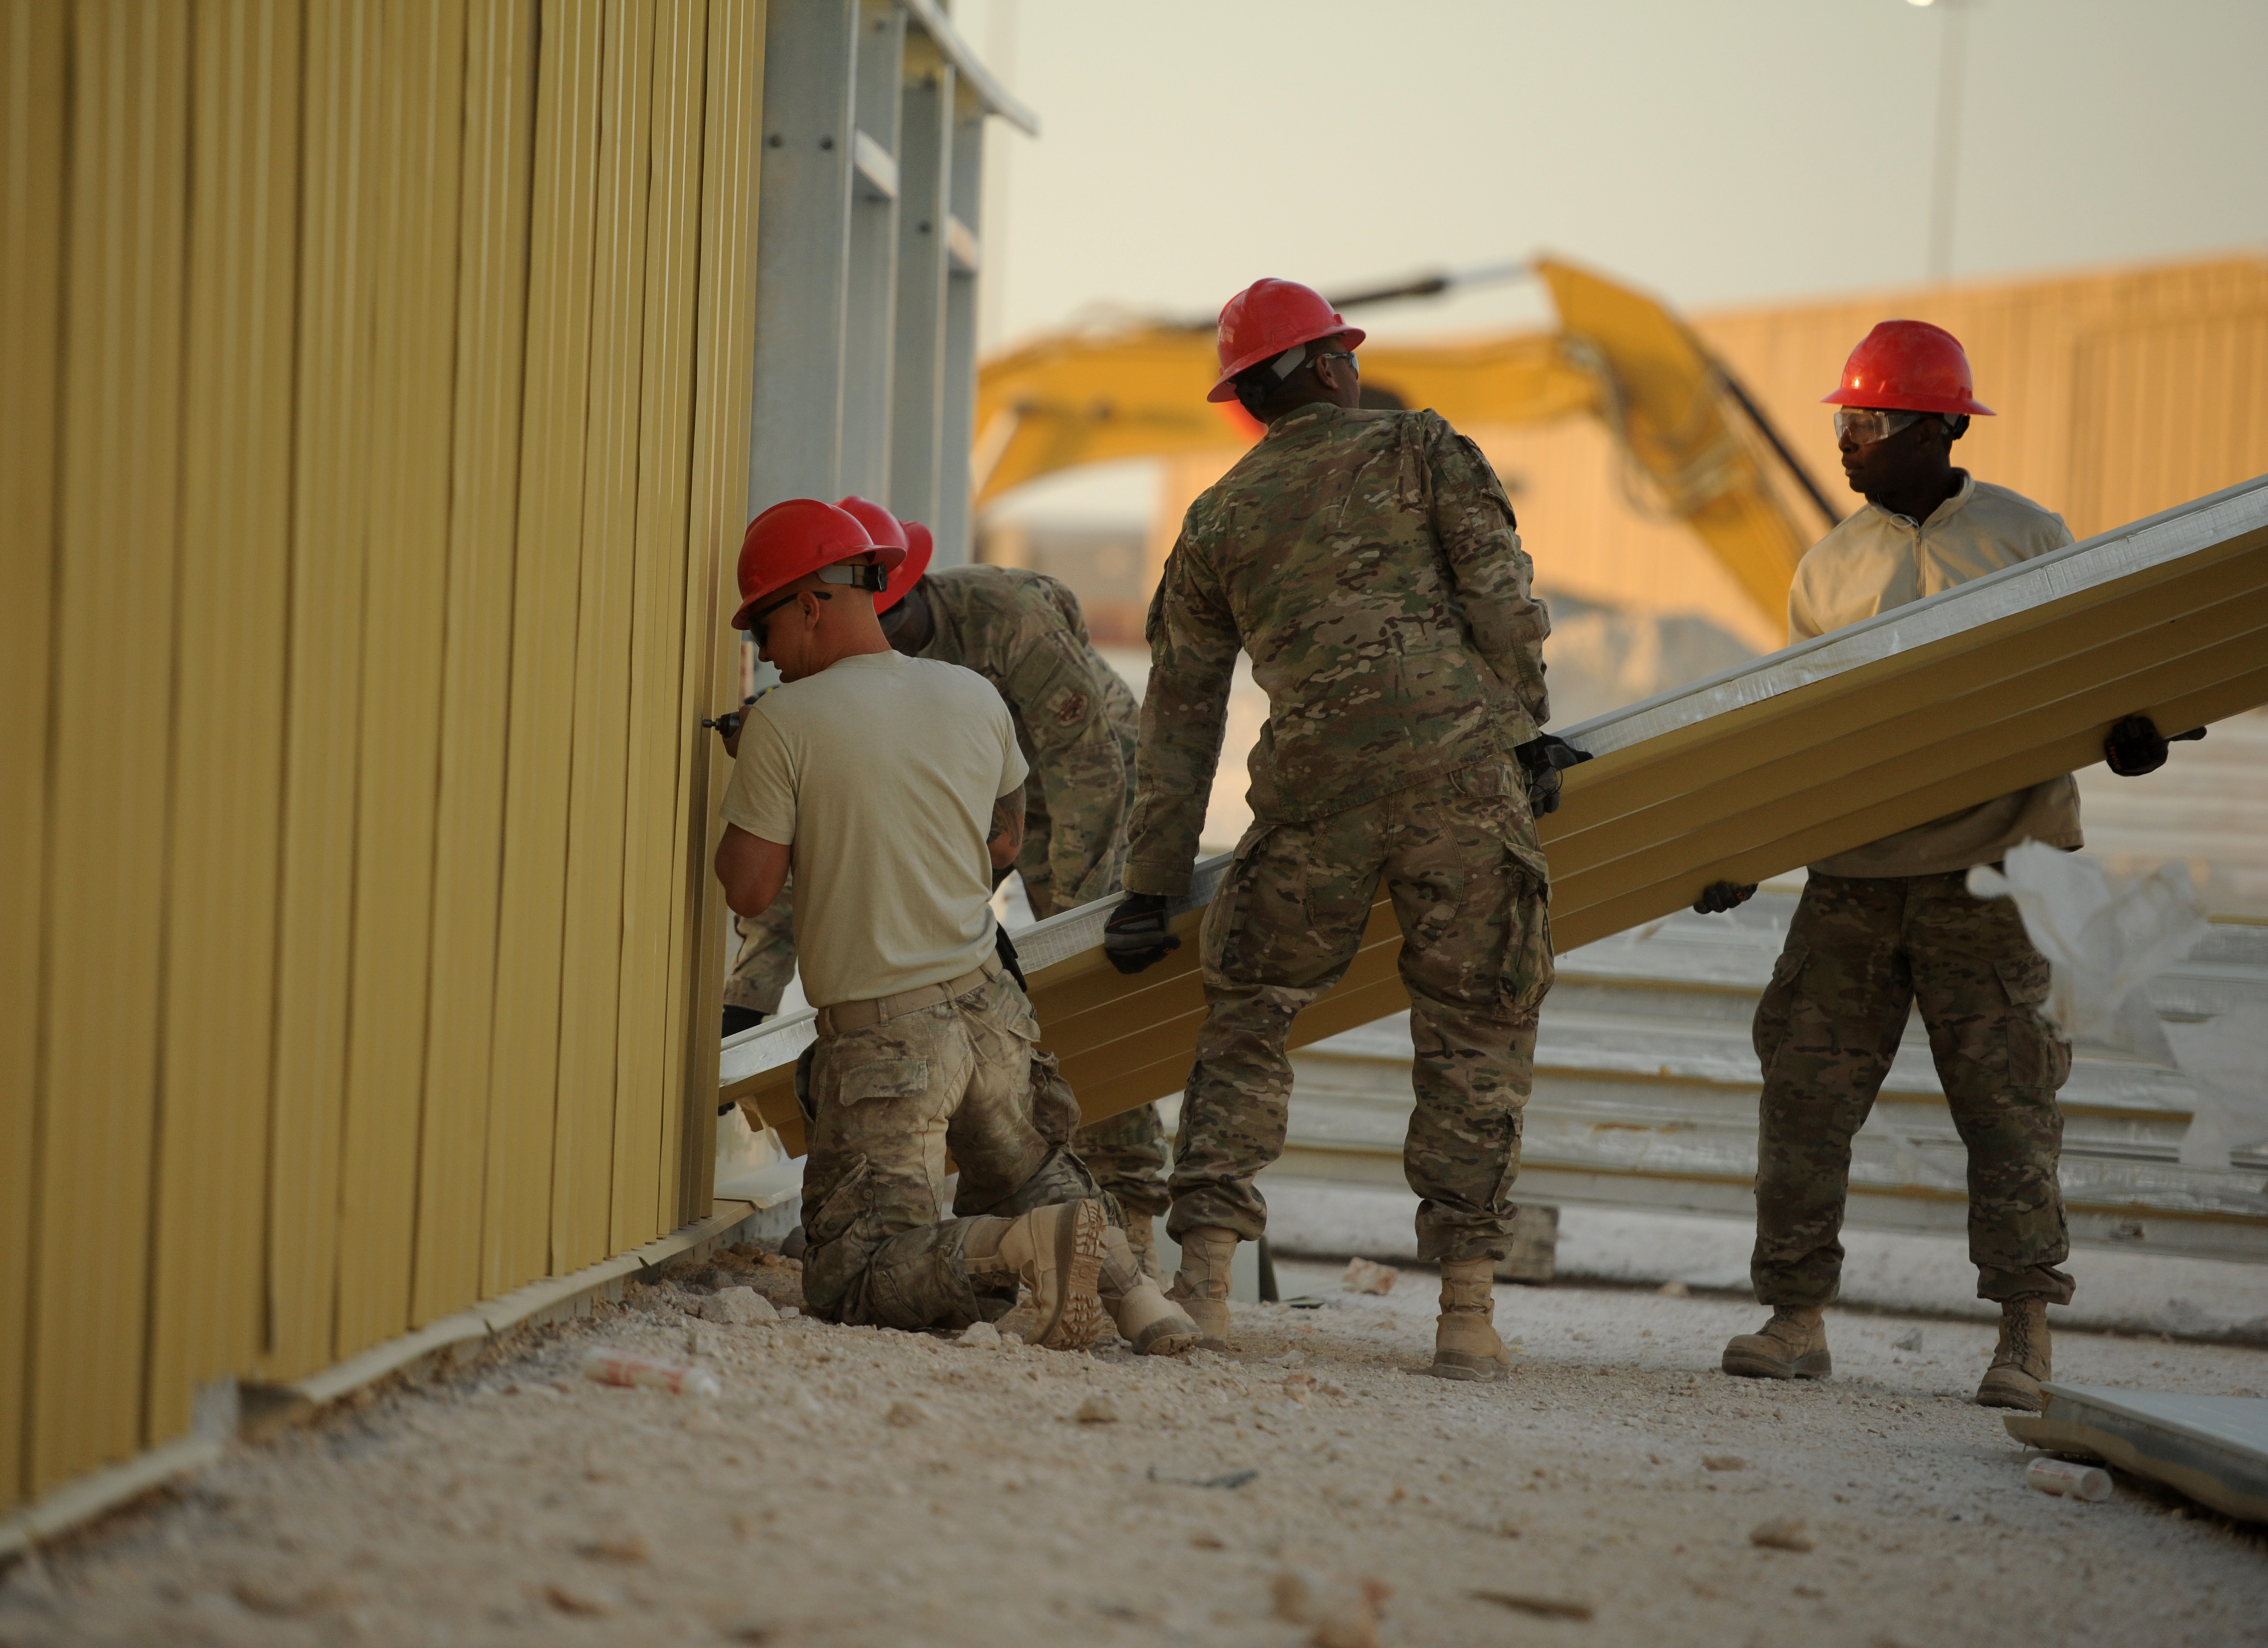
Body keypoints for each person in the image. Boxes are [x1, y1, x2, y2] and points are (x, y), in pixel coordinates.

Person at [1106, 278, 1559, 1378]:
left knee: (1249, 1020)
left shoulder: (1217, 516)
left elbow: (1182, 711)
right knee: (1476, 1030)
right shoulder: (1420, 447)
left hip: (1313, 802)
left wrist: (1152, 881)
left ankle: (1204, 1289)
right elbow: (1501, 601)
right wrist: (1526, 729)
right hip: (1459, 780)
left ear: (1247, 398)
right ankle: (1465, 1316)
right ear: (1325, 368)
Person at [1696, 320, 2083, 1410]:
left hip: (1994, 874)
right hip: (1853, 881)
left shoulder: (2029, 537)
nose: (1847, 440)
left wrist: (2134, 731)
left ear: (1943, 428)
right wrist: (1739, 850)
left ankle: (2025, 1332)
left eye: (1870, 420)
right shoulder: (1830, 566)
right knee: (1804, 1095)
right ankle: (1795, 1318)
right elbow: (1802, 735)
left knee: (2008, 1105)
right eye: (1846, 420)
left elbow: (2088, 674)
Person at [712, 498, 1199, 1355]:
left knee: (852, 1272)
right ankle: (1141, 1298)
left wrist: (754, 769)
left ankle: (1021, 1249)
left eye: (763, 629)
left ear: (811, 607)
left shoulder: (783, 722)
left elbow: (749, 891)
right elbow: (1004, 841)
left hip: (889, 1041)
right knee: (1033, 1168)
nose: (765, 654)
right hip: (992, 1015)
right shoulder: (974, 693)